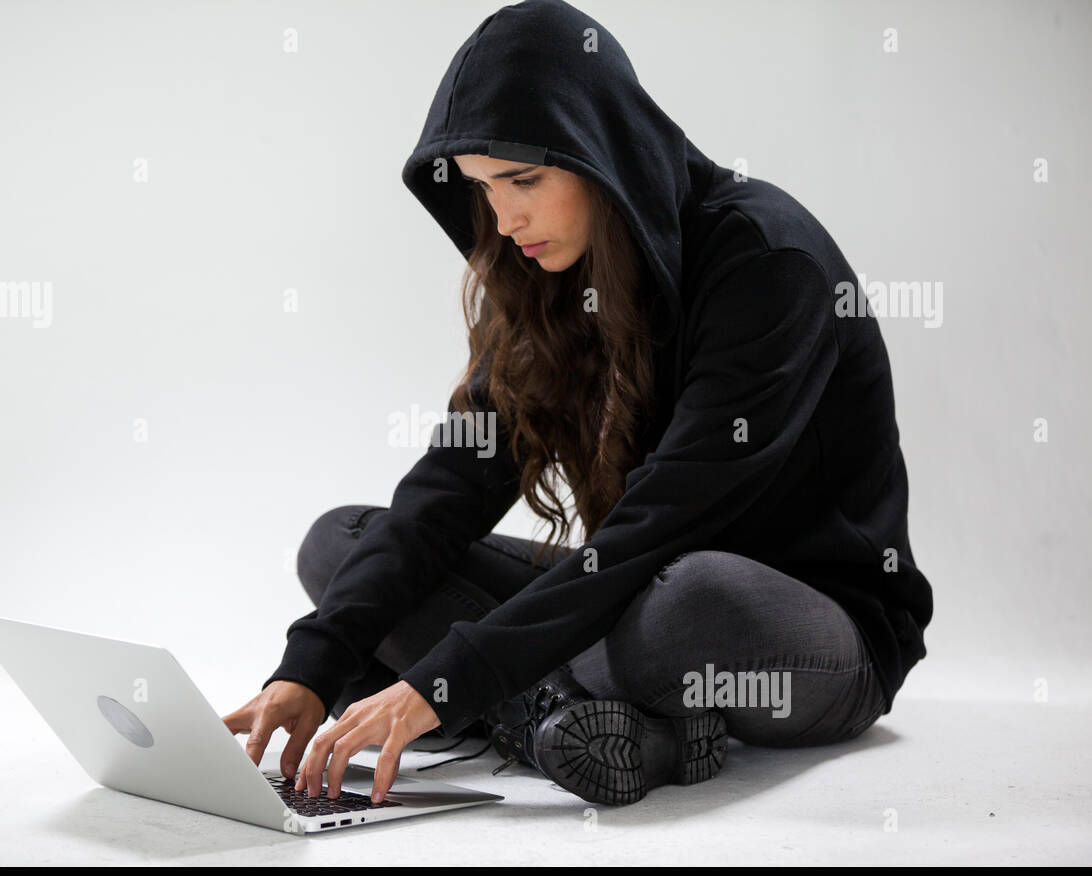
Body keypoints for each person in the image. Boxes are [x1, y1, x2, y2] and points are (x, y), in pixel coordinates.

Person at [222, 0, 933, 807]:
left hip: (803, 632)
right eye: (486, 187)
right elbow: (448, 492)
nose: (505, 216)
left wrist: (443, 684)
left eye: (525, 180)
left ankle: (529, 706)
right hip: (635, 578)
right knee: (344, 543)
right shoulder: (545, 273)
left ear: (604, 152)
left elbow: (661, 526)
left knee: (687, 601)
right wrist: (310, 667)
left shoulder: (768, 264)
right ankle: (576, 720)